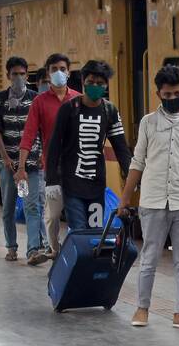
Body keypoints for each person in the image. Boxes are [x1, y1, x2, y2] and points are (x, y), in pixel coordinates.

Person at [121, 64, 179, 329]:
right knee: (149, 256)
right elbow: (137, 162)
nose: (172, 99)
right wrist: (125, 199)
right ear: (158, 94)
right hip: (152, 202)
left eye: (176, 93)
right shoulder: (148, 123)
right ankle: (142, 309)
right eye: (167, 95)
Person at [44, 59, 132, 239]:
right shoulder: (69, 108)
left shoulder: (110, 111)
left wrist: (132, 177)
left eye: (100, 83)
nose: (94, 86)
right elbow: (54, 145)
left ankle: (89, 265)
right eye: (90, 82)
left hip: (96, 186)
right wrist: (51, 180)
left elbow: (121, 147)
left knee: (94, 232)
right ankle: (78, 264)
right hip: (71, 184)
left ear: (106, 85)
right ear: (83, 82)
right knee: (79, 230)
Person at [17, 53, 79, 260]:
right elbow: (28, 135)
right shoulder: (40, 102)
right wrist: (21, 167)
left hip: (78, 168)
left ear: (69, 72)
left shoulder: (78, 100)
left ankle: (75, 254)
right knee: (52, 217)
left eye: (62, 68)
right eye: (54, 69)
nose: (59, 73)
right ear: (48, 74)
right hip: (52, 168)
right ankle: (55, 249)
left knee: (76, 215)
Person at [0, 56, 44, 262]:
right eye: (15, 74)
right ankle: (11, 247)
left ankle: (32, 250)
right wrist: (5, 159)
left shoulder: (35, 98)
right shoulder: (0, 99)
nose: (19, 78)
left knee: (32, 206)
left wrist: (39, 155)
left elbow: (40, 130)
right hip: (8, 163)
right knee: (8, 208)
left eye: (22, 74)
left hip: (30, 163)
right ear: (8, 76)